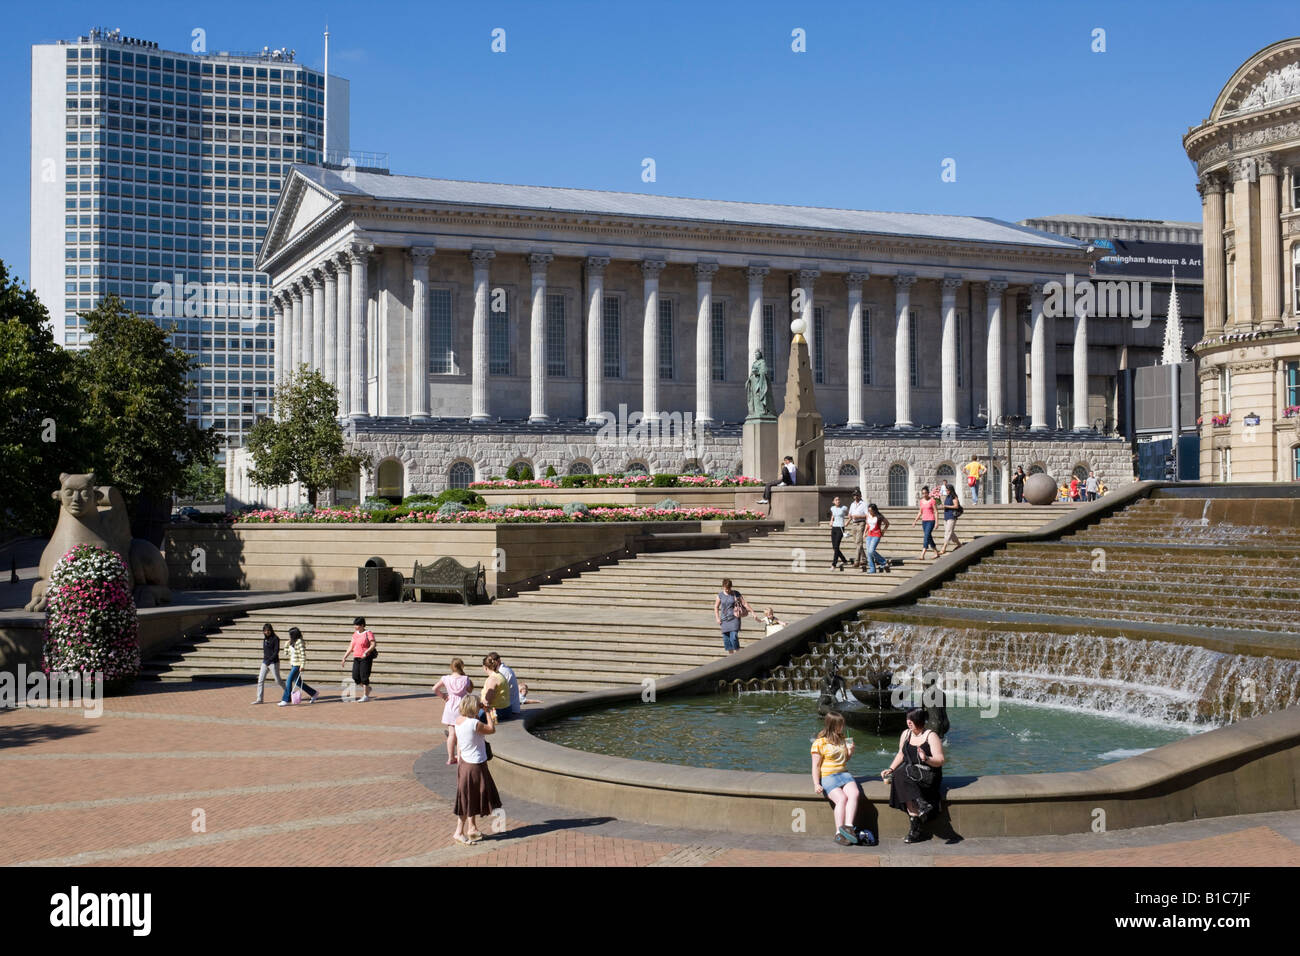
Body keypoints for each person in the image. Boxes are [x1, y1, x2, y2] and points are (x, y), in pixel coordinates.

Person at [883, 708, 945, 844]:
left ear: (920, 721)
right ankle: (920, 809)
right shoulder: (906, 734)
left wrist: (926, 758)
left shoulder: (931, 736)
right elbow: (901, 754)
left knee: (900, 775)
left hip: (928, 774)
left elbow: (940, 760)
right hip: (909, 773)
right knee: (900, 774)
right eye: (907, 719)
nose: (908, 722)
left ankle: (916, 830)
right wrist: (890, 768)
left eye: (911, 719)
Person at [811, 711, 868, 846]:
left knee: (855, 794)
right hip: (828, 776)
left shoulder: (842, 738)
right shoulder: (820, 743)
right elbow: (816, 766)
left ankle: (848, 827)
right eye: (840, 725)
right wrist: (816, 783)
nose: (843, 727)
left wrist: (850, 751)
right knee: (842, 799)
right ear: (832, 725)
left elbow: (844, 760)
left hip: (844, 773)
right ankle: (838, 833)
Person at [452, 693, 500, 845]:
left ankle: (472, 828)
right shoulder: (475, 724)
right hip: (475, 765)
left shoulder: (458, 721)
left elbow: (460, 741)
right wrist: (486, 711)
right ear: (474, 706)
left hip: (465, 763)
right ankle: (459, 832)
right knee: (468, 799)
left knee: (468, 797)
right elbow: (492, 729)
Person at [433, 659, 473, 764]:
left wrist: (443, 696)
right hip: (461, 707)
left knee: (451, 734)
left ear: (451, 667)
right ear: (462, 667)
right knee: (460, 735)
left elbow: (434, 688)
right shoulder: (465, 679)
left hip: (450, 706)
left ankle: (450, 757)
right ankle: (460, 757)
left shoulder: (446, 678)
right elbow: (469, 690)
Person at [278, 627, 318, 706]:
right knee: (299, 683)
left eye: (290, 634)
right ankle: (314, 693)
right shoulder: (292, 642)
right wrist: (286, 645)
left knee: (288, 680)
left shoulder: (299, 642)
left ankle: (286, 699)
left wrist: (302, 665)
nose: (289, 636)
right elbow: (286, 654)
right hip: (293, 664)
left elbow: (303, 655)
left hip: (297, 665)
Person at [340, 616, 376, 702]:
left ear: (362, 625)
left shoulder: (368, 633)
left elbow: (373, 644)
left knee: (364, 676)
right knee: (355, 677)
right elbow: (351, 646)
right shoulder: (355, 634)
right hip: (356, 657)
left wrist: (366, 652)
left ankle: (365, 696)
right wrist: (344, 657)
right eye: (354, 625)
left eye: (357, 625)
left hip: (365, 657)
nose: (355, 626)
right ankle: (368, 688)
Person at [714, 578, 753, 655]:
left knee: (734, 637)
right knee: (726, 639)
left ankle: (738, 654)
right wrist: (717, 618)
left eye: (729, 588)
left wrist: (752, 612)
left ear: (731, 587)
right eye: (726, 589)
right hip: (724, 619)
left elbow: (744, 603)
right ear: (723, 587)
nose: (727, 590)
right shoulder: (720, 595)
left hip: (734, 618)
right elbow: (716, 607)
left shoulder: (736, 593)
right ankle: (731, 656)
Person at [253, 623, 285, 705]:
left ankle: (288, 693)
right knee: (260, 680)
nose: (266, 632)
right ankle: (259, 699)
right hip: (265, 662)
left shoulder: (276, 638)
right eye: (265, 631)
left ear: (271, 630)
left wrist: (269, 660)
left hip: (273, 662)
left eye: (268, 631)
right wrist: (265, 661)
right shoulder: (265, 639)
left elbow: (276, 652)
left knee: (278, 680)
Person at [486, 651, 522, 719]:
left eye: (492, 662)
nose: (491, 664)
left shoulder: (503, 671)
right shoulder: (503, 670)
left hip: (508, 708)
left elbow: (494, 692)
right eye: (489, 662)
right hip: (509, 706)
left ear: (498, 661)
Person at [911, 486, 939, 561]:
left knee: (926, 536)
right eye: (923, 493)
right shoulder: (921, 501)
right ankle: (936, 552)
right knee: (929, 537)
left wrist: (937, 522)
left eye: (925, 493)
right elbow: (920, 512)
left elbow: (936, 511)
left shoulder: (932, 500)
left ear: (928, 493)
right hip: (924, 521)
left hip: (931, 520)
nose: (924, 495)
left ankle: (922, 554)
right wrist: (915, 521)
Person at [863, 503, 891, 573]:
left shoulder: (879, 516)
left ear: (874, 510)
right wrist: (864, 533)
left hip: (876, 534)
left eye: (871, 510)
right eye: (868, 510)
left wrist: (883, 531)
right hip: (869, 535)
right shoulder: (868, 515)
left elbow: (887, 523)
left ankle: (884, 562)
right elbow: (867, 524)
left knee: (871, 550)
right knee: (869, 553)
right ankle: (872, 569)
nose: (869, 512)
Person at [937, 482, 964, 555]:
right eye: (946, 490)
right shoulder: (947, 496)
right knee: (951, 533)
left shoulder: (954, 497)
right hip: (946, 516)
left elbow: (956, 506)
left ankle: (943, 548)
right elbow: (946, 505)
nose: (946, 491)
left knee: (948, 532)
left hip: (952, 517)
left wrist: (946, 506)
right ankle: (959, 545)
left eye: (947, 490)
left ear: (950, 490)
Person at [847, 489, 869, 568]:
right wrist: (849, 516)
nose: (855, 497)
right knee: (857, 543)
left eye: (857, 495)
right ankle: (864, 559)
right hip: (854, 524)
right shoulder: (852, 504)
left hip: (861, 523)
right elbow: (850, 513)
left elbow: (867, 515)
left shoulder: (864, 504)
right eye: (854, 495)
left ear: (860, 495)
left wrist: (858, 516)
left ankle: (857, 561)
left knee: (859, 542)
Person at [828, 495, 850, 569]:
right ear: (833, 502)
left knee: (836, 546)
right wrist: (831, 521)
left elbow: (851, 515)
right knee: (834, 547)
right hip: (834, 528)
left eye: (839, 499)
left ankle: (834, 564)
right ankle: (844, 560)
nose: (838, 501)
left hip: (840, 528)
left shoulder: (844, 508)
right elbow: (833, 516)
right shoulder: (832, 508)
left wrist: (847, 522)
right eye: (836, 500)